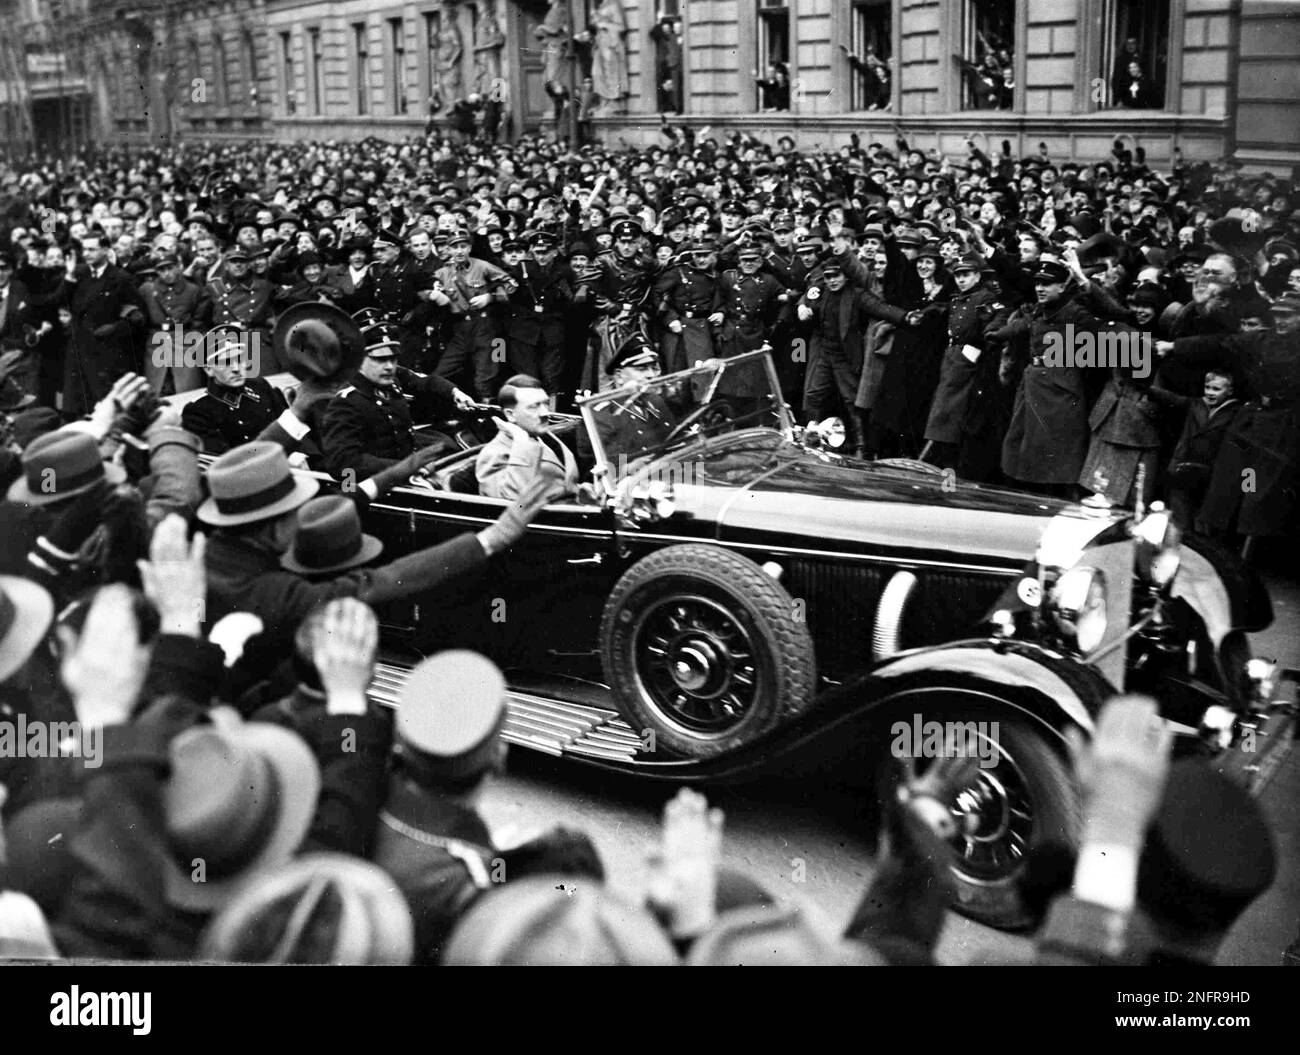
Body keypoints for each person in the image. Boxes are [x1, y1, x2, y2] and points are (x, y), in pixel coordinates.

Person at [319, 325, 474, 483]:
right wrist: (404, 467)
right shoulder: (346, 401)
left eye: (393, 358)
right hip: (382, 484)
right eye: (379, 359)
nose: (389, 366)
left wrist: (455, 392)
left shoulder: (388, 377)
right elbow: (343, 462)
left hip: (412, 472)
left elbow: (424, 381)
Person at [181, 333, 290, 456]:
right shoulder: (198, 411)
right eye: (226, 362)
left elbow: (292, 427)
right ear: (209, 369)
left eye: (239, 359)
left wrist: (303, 454)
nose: (236, 368)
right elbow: (225, 463)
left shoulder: (260, 386)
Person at [476, 374, 579, 500]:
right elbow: (516, 502)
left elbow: (565, 485)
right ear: (510, 415)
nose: (545, 412)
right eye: (534, 406)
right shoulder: (494, 454)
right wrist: (521, 442)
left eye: (545, 404)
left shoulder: (544, 437)